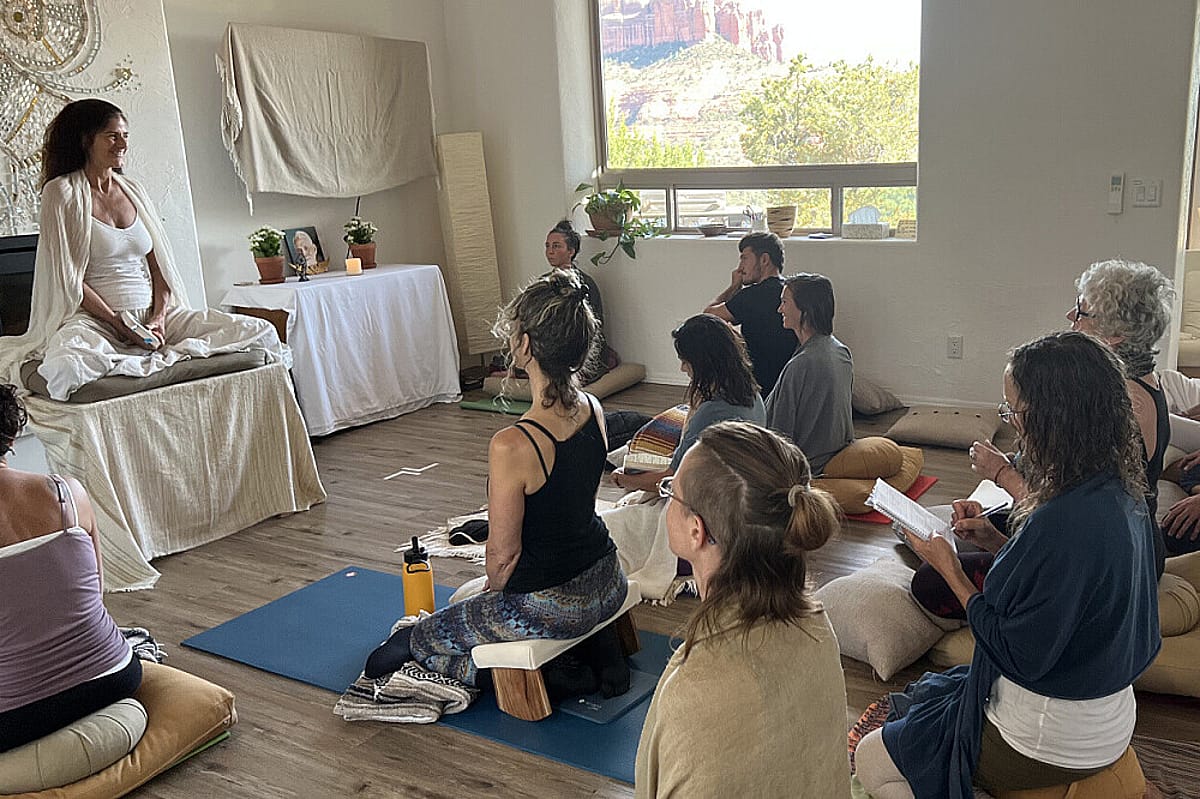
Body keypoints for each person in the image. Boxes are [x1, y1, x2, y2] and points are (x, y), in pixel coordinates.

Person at [856, 331, 1161, 799]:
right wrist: (996, 539)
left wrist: (949, 568)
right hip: (1111, 715)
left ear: (1052, 418)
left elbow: (1013, 650)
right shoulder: (1123, 492)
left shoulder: (1061, 520)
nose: (1012, 424)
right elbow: (1062, 587)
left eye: (1013, 411)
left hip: (1049, 737)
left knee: (872, 760)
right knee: (935, 697)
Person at [362, 270, 629, 693]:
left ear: (524, 345)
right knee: (470, 608)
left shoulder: (513, 444)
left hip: (551, 606)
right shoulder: (593, 408)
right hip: (609, 579)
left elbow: (502, 561)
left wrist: (492, 599)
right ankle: (597, 654)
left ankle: (555, 677)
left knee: (405, 649)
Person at [0, 99, 282, 401]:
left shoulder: (134, 190)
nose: (122, 143)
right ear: (85, 140)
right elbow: (69, 278)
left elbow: (158, 268)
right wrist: (120, 324)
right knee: (66, 369)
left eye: (125, 135)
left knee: (259, 331)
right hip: (97, 321)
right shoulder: (61, 192)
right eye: (112, 135)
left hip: (155, 316)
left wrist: (158, 318)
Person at [936, 260, 1173, 618]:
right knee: (960, 531)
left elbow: (1069, 517)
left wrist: (1000, 473)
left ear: (1115, 336)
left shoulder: (1119, 404)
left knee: (933, 578)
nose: (1070, 316)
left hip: (1112, 558)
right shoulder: (1140, 383)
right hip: (1093, 538)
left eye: (1082, 312)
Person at [634, 421, 850, 797]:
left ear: (696, 531)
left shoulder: (696, 691)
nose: (667, 499)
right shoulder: (817, 624)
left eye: (671, 492)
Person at [0, 383, 141, 751]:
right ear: (12, 436)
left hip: (15, 718)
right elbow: (96, 592)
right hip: (115, 673)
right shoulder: (69, 493)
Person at [611, 313, 765, 494]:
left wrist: (623, 480)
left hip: (710, 497)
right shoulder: (752, 393)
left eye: (685, 362)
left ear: (702, 362)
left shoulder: (712, 411)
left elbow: (672, 479)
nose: (682, 368)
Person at [544, 219, 649, 451]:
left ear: (571, 251)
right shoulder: (543, 283)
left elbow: (591, 330)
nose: (550, 251)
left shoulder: (584, 284)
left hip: (578, 349)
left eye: (557, 246)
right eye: (548, 246)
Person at [764, 272, 854, 472]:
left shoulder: (801, 364)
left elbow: (778, 435)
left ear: (805, 309)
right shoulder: (840, 350)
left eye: (785, 302)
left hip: (807, 466)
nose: (780, 309)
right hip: (835, 455)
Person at [704, 231, 796, 396]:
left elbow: (708, 317)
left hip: (758, 385)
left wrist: (733, 287)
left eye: (744, 258)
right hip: (787, 383)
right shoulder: (791, 290)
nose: (740, 267)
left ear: (764, 260)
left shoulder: (754, 295)